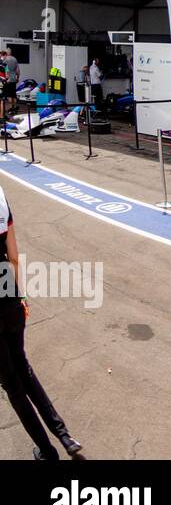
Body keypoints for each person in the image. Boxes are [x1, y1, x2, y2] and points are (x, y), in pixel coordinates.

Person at [0, 186, 82, 459]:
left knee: (12, 385)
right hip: (5, 284)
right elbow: (12, 255)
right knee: (23, 366)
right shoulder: (0, 194)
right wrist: (21, 294)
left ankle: (47, 451)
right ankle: (64, 435)